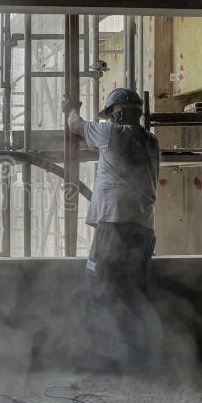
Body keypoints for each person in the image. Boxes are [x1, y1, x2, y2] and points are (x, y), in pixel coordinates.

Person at [64, 88, 160, 372]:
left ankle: (103, 358)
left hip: (113, 224)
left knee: (99, 286)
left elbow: (74, 126)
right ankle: (141, 360)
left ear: (117, 113)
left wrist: (71, 107)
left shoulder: (110, 133)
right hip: (144, 227)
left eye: (110, 114)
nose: (110, 118)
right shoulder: (152, 141)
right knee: (134, 293)